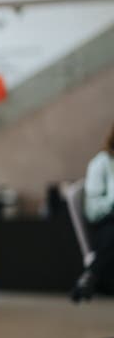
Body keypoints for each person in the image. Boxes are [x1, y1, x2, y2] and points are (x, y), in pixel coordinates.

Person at [72, 123, 114, 301]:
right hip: (105, 223)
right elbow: (93, 211)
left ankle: (91, 274)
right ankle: (92, 276)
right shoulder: (101, 163)